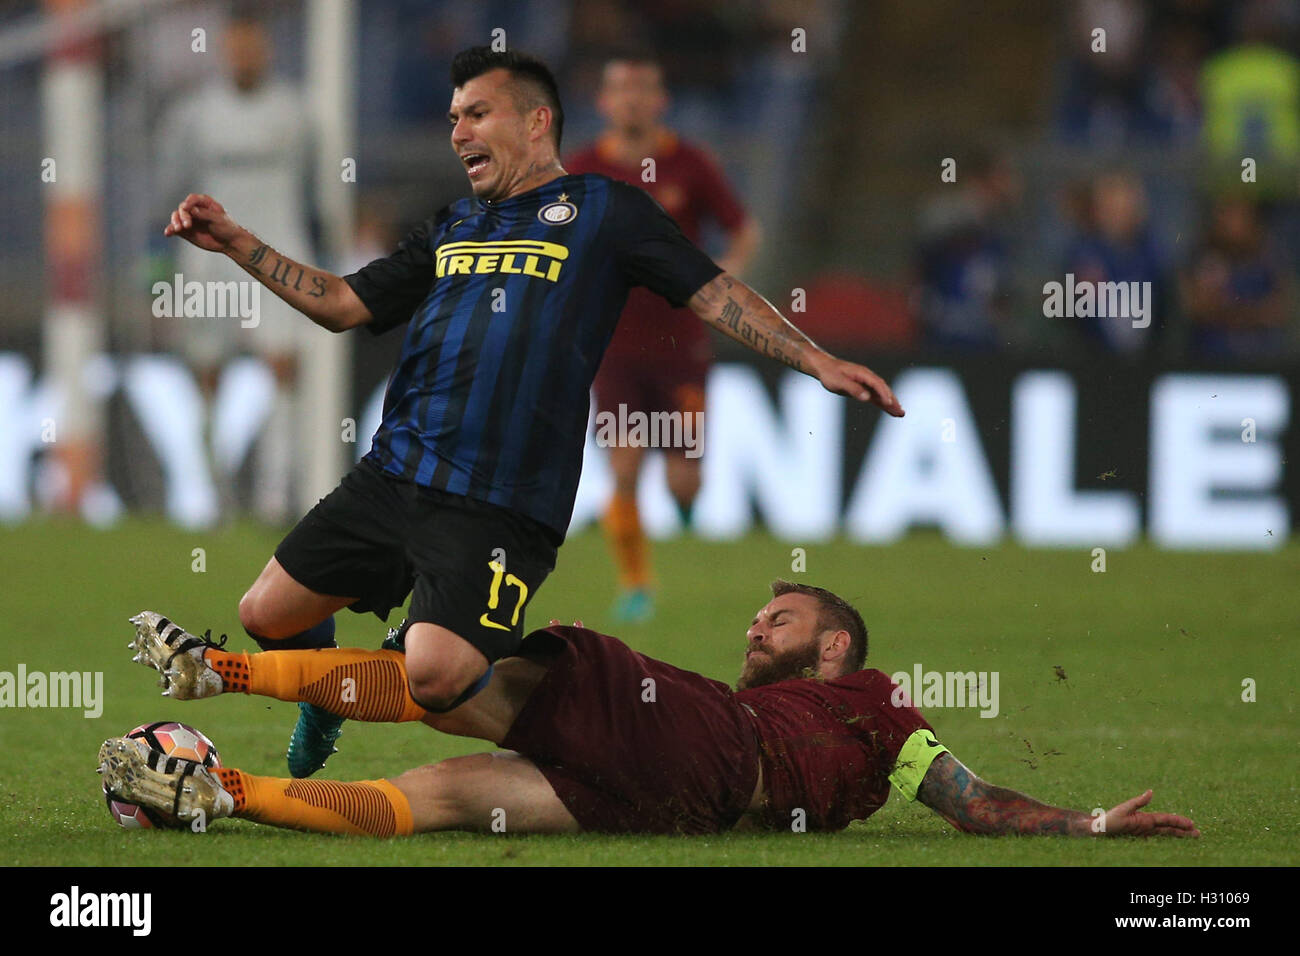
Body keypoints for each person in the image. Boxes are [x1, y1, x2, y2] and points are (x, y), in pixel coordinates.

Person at [158, 46, 904, 779]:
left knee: (438, 677)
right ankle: (327, 699)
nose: (458, 132)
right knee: (266, 615)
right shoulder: (452, 225)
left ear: (537, 120)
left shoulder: (604, 211)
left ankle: (512, 685)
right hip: (396, 472)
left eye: (478, 113)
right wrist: (235, 243)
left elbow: (716, 293)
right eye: (454, 117)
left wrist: (817, 360)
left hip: (499, 503)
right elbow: (344, 302)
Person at [103, 583, 1199, 839]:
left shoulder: (874, 699)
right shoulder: (885, 749)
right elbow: (975, 806)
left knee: (459, 683)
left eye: (782, 616)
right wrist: (1084, 827)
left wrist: (1087, 825)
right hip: (683, 805)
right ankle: (220, 790)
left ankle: (219, 676)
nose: (756, 625)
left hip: (708, 740)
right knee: (440, 795)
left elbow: (976, 798)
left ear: (839, 644)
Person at [566, 53, 761, 623]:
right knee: (623, 468)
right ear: (603, 103)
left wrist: (726, 271)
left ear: (660, 100)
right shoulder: (581, 170)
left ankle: (684, 513)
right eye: (619, 90)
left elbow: (743, 228)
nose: (630, 100)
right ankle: (635, 585)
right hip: (614, 346)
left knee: (683, 480)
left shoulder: (690, 163)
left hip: (682, 346)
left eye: (641, 89)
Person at [154, 10, 316, 526]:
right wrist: (157, 262)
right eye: (237, 46)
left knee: (282, 366)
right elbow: (168, 190)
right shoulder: (194, 115)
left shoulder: (297, 113)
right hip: (208, 264)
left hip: (277, 249)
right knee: (208, 377)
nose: (245, 55)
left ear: (266, 49)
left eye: (254, 45)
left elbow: (314, 190)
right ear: (224, 50)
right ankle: (214, 494)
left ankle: (273, 498)